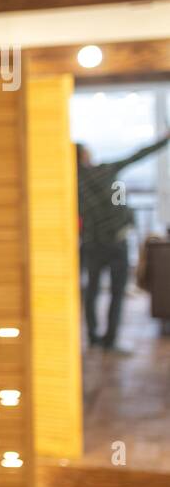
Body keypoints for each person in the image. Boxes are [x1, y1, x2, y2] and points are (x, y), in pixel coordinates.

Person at [76, 134, 170, 353]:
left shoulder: (71, 183)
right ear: (84, 155)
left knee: (92, 291)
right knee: (116, 293)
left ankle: (92, 339)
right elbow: (138, 155)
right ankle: (110, 341)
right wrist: (165, 140)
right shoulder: (104, 171)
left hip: (91, 244)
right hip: (116, 242)